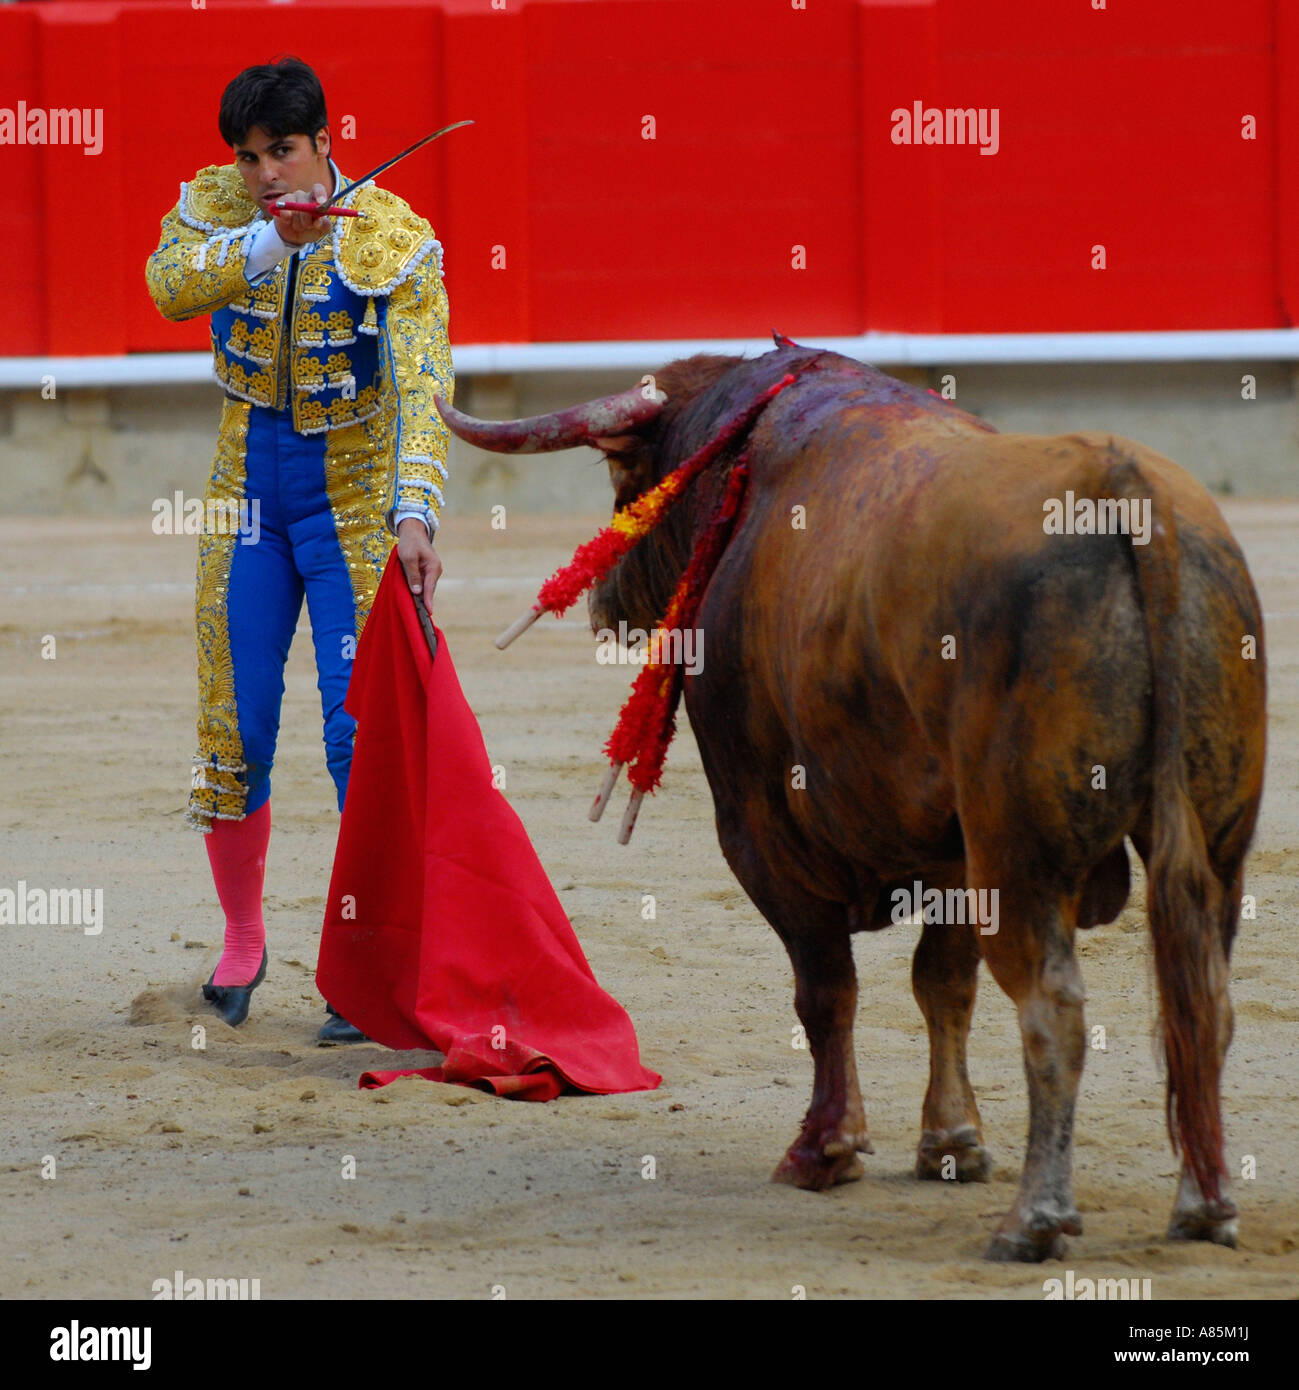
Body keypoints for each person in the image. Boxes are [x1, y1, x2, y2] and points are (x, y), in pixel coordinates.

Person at [144, 56, 452, 1040]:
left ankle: (363, 961)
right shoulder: (218, 207)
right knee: (232, 725)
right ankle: (242, 945)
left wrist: (415, 515)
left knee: (360, 736)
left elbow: (420, 388)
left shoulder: (394, 237)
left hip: (353, 503)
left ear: (326, 140)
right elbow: (167, 287)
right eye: (250, 154)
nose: (266, 172)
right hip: (245, 500)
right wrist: (269, 244)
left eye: (282, 150)